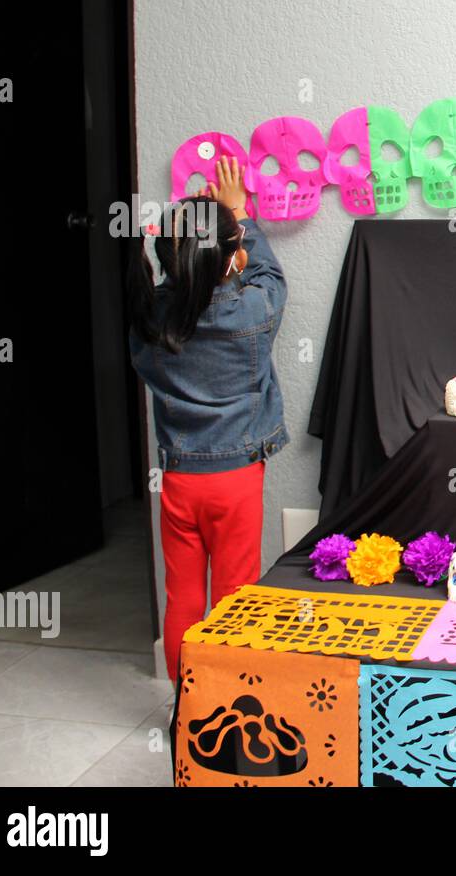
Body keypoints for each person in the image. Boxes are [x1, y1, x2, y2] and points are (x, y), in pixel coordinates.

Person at [128, 156, 288, 685]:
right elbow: (271, 275)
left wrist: (224, 233)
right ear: (230, 259)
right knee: (235, 595)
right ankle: (230, 697)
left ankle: (187, 704)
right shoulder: (251, 311)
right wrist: (241, 213)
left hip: (179, 481)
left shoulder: (149, 321)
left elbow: (200, 280)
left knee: (183, 597)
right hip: (236, 481)